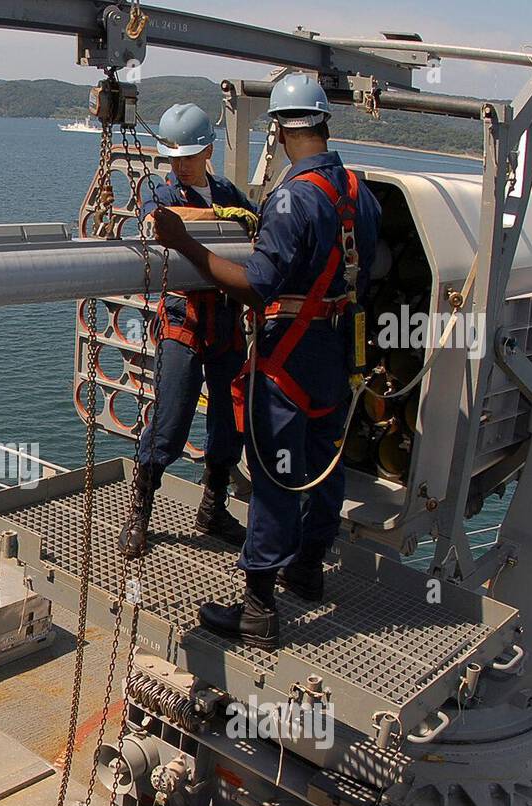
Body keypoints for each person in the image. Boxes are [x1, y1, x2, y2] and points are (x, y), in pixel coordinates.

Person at [151, 75, 380, 648]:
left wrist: (186, 245)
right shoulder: (360, 192)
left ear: (277, 130)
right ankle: (308, 569)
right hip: (337, 354)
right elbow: (370, 267)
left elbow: (256, 285)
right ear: (323, 123)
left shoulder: (292, 197)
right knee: (325, 460)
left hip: (290, 354)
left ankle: (258, 607)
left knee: (276, 472)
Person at [119, 103, 258, 559]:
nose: (180, 166)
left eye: (188, 157)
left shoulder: (228, 191)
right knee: (171, 420)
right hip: (184, 318)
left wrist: (224, 216)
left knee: (230, 420)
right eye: (174, 158)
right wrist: (223, 218)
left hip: (226, 318)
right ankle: (140, 512)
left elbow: (257, 224)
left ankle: (213, 507)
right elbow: (157, 222)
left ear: (208, 152)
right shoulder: (162, 190)